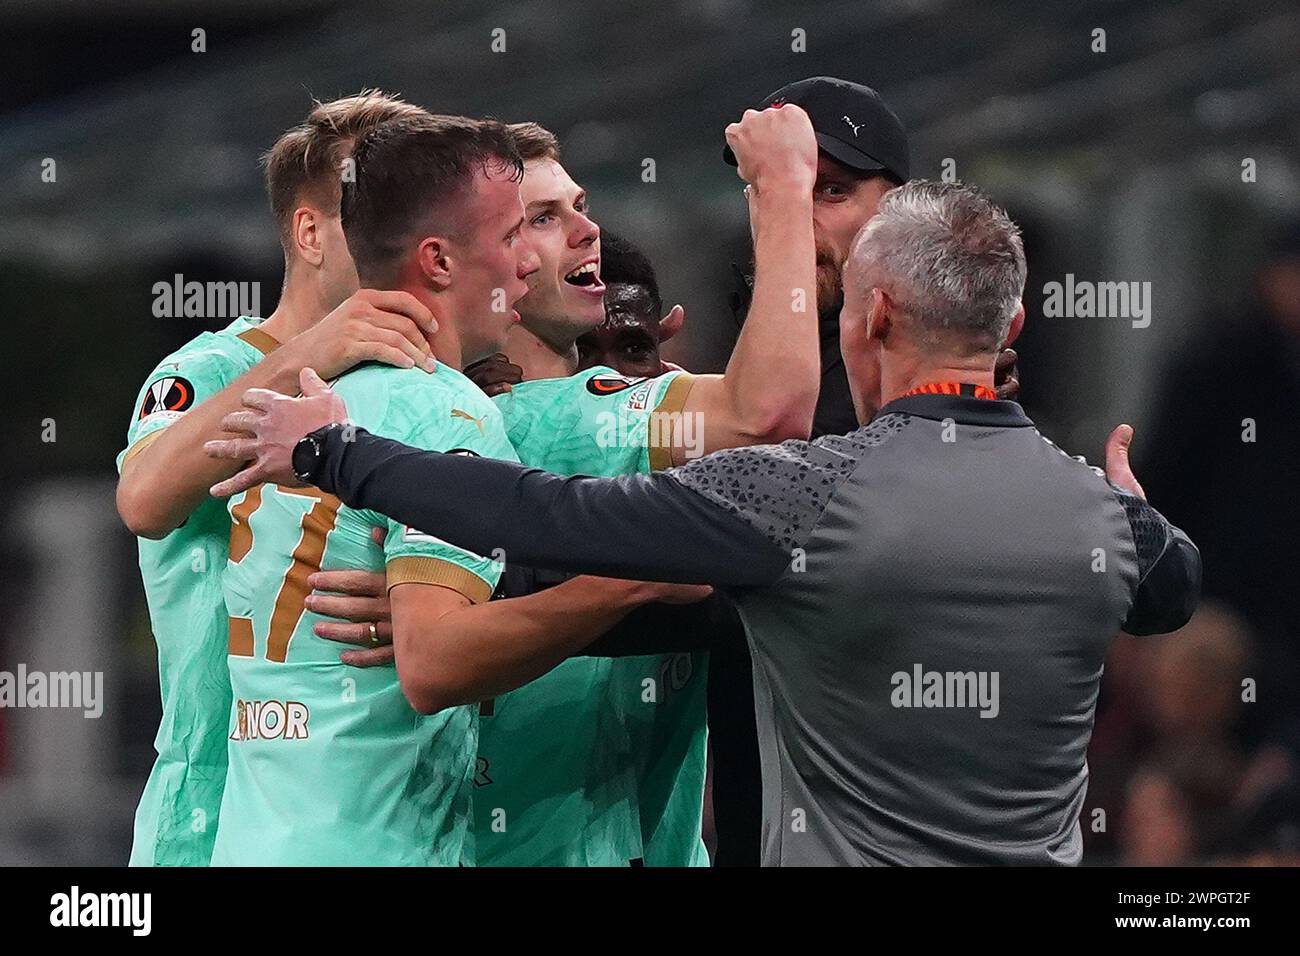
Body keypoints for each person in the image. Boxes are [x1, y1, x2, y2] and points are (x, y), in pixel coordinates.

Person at [211, 179, 1200, 865]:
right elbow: (1171, 584)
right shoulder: (1104, 526)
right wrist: (1130, 510)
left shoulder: (802, 493)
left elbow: (546, 514)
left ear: (874, 320)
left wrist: (331, 450)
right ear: (1011, 329)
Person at [113, 91, 436, 866]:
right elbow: (144, 498)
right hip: (218, 808)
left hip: (390, 809)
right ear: (310, 230)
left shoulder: (425, 389)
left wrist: (430, 614)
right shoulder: (208, 369)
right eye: (387, 213)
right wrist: (304, 359)